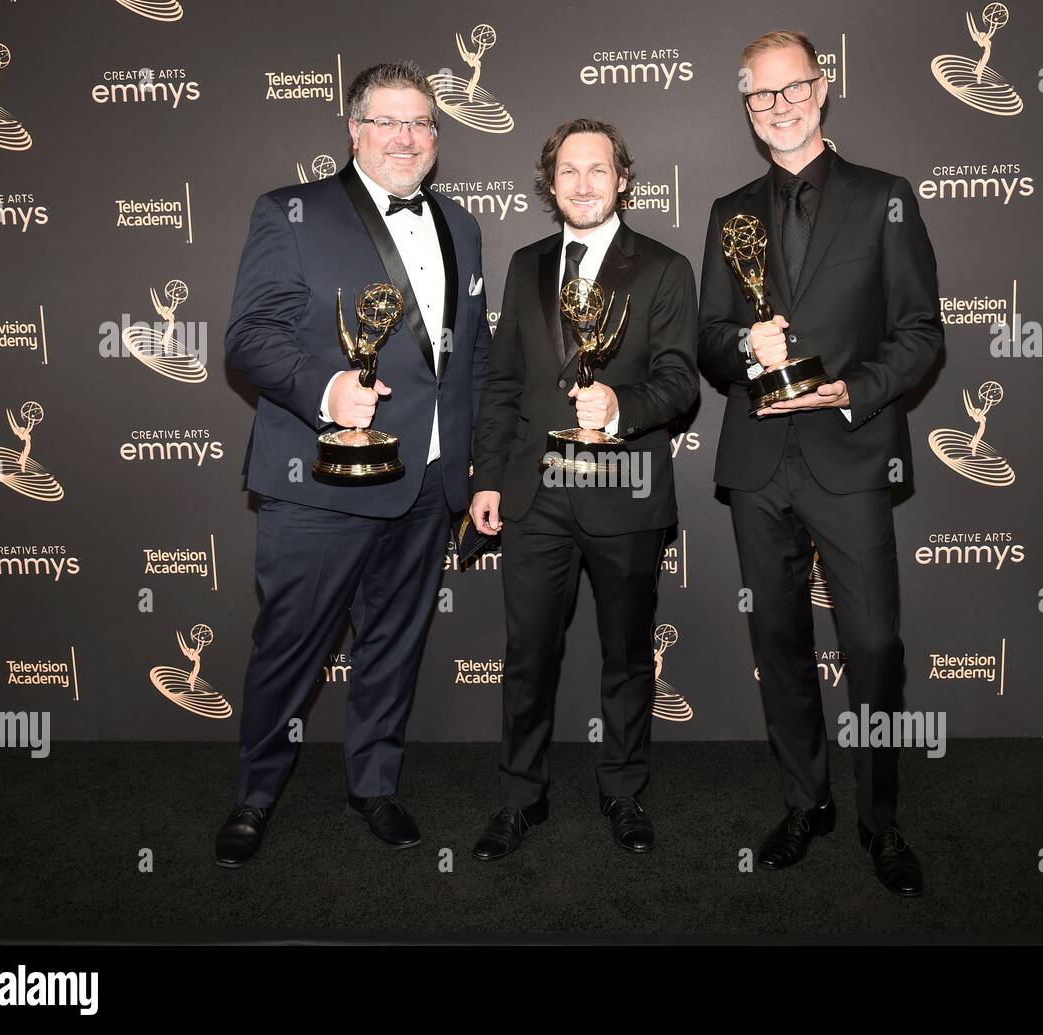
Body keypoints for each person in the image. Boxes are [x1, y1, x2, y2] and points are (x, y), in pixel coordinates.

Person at [216, 61, 492, 867]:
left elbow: (468, 359)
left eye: (422, 124)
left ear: (436, 138)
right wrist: (327, 386)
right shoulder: (291, 213)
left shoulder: (463, 226)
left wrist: (468, 471)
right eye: (389, 122)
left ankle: (374, 784)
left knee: (393, 647)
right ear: (354, 129)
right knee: (290, 647)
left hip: (424, 489)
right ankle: (254, 796)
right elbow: (249, 336)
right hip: (321, 484)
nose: (407, 138)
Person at [698, 31, 943, 894]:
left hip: (850, 453)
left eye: (792, 87)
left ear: (823, 86)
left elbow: (921, 336)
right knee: (781, 643)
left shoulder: (887, 198)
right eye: (761, 96)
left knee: (873, 646)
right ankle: (807, 801)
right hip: (760, 463)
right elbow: (708, 340)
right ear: (747, 105)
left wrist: (847, 391)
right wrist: (741, 343)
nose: (779, 105)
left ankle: (881, 820)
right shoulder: (729, 212)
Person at [469, 118, 698, 859]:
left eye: (597, 170)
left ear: (623, 178)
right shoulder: (526, 263)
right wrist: (488, 479)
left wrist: (622, 409)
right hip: (535, 496)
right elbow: (503, 382)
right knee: (528, 651)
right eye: (568, 171)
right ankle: (519, 796)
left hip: (624, 491)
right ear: (550, 182)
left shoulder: (663, 267)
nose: (583, 184)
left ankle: (624, 791)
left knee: (628, 653)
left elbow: (680, 382)